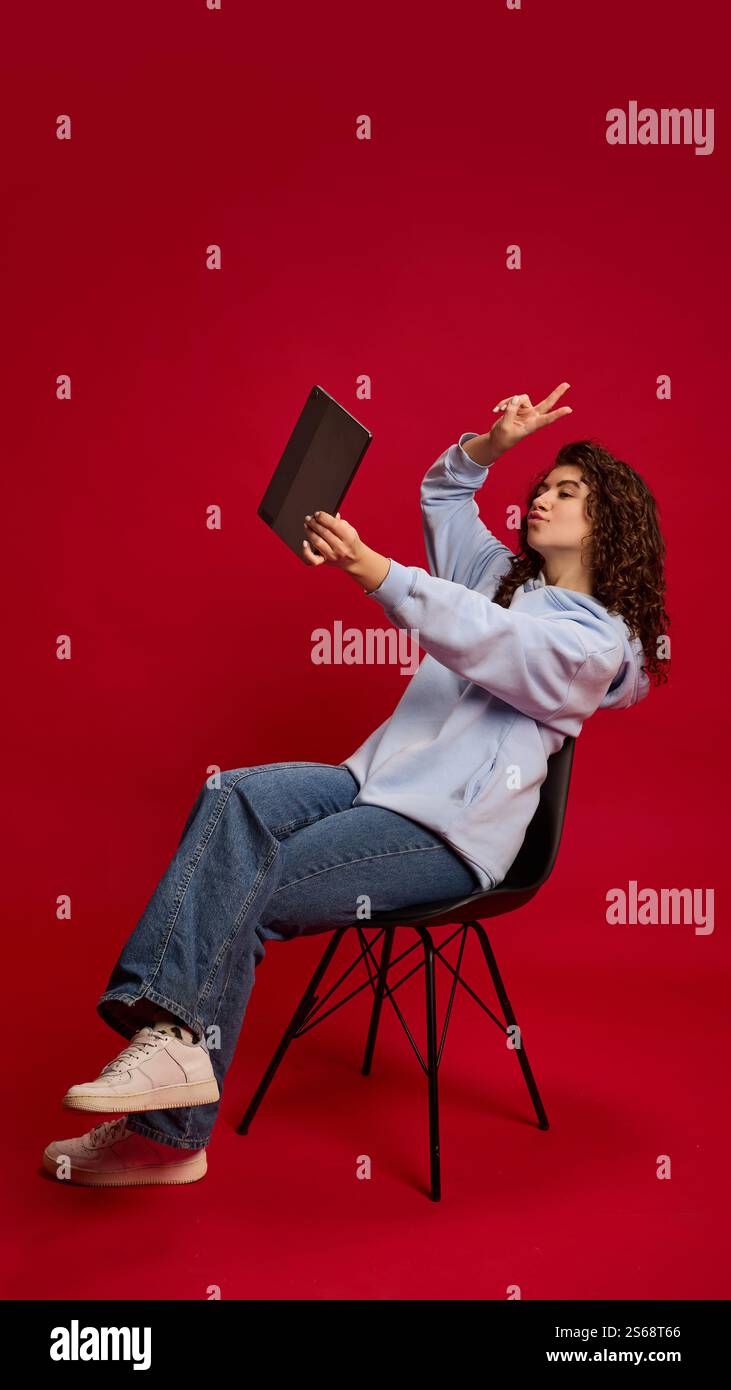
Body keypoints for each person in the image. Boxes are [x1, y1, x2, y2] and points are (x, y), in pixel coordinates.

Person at [43, 382, 670, 1187]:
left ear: (607, 522)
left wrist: (371, 570)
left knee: (254, 879)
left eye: (565, 490)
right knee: (232, 797)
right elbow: (443, 493)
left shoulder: (592, 649)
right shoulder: (504, 579)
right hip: (367, 782)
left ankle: (166, 1131)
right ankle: (168, 1048)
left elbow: (486, 638)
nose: (540, 498)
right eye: (540, 486)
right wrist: (491, 443)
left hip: (444, 836)